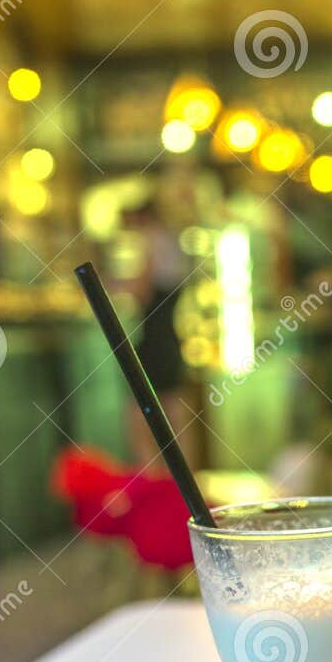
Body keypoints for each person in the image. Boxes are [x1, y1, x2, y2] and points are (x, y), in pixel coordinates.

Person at [118, 198, 199, 469]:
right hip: (169, 332)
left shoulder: (151, 240)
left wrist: (112, 284)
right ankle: (184, 471)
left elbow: (141, 288)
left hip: (154, 333)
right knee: (174, 403)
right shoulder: (172, 239)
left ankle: (150, 472)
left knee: (139, 405)